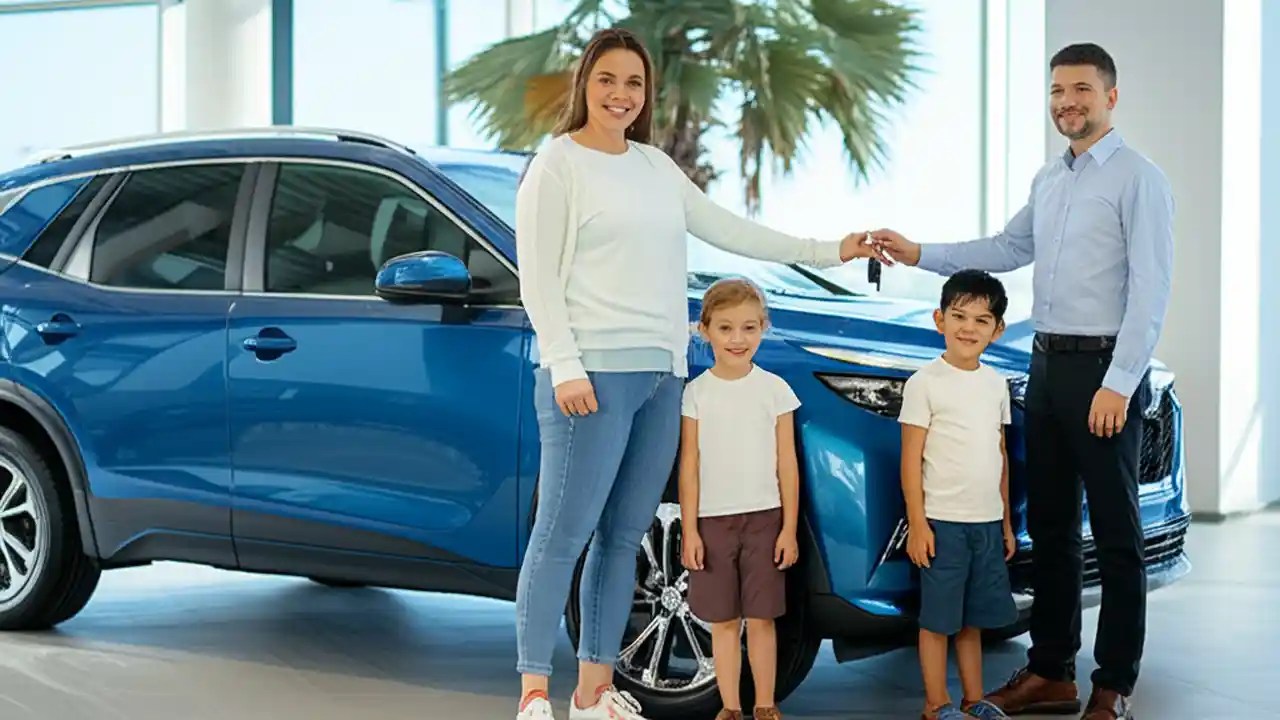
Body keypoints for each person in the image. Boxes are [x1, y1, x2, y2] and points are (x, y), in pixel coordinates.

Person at [513, 28, 881, 720]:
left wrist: (832, 249)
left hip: (662, 376)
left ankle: (594, 693)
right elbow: (538, 279)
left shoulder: (656, 168)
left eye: (634, 84)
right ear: (584, 85)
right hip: (591, 375)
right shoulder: (556, 165)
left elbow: (734, 231)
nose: (621, 95)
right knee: (563, 535)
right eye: (607, 80)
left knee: (625, 537)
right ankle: (534, 694)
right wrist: (564, 364)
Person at [871, 43, 1174, 720]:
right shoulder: (1052, 179)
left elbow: (1152, 291)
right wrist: (919, 253)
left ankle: (1113, 683)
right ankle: (1052, 673)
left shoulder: (1138, 178)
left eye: (1081, 91)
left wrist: (1120, 382)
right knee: (1057, 530)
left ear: (1111, 97)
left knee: (1118, 538)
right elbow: (1007, 251)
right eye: (1057, 92)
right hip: (1044, 367)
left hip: (1102, 373)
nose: (1066, 103)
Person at [678, 278, 800, 720]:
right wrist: (690, 530)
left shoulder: (775, 390)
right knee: (724, 622)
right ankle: (730, 707)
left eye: (749, 328)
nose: (737, 339)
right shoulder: (696, 393)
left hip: (765, 520)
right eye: (726, 328)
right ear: (704, 330)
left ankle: (765, 703)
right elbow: (689, 466)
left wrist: (788, 528)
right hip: (712, 523)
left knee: (763, 619)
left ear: (763, 328)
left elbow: (787, 463)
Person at [898, 270, 1017, 720]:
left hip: (985, 523)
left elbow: (1000, 455)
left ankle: (973, 701)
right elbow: (911, 459)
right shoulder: (924, 383)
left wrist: (1004, 523)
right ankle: (936, 704)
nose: (969, 328)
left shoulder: (995, 384)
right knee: (938, 620)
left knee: (972, 621)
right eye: (959, 316)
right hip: (942, 522)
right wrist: (919, 523)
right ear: (939, 319)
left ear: (997, 329)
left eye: (982, 320)